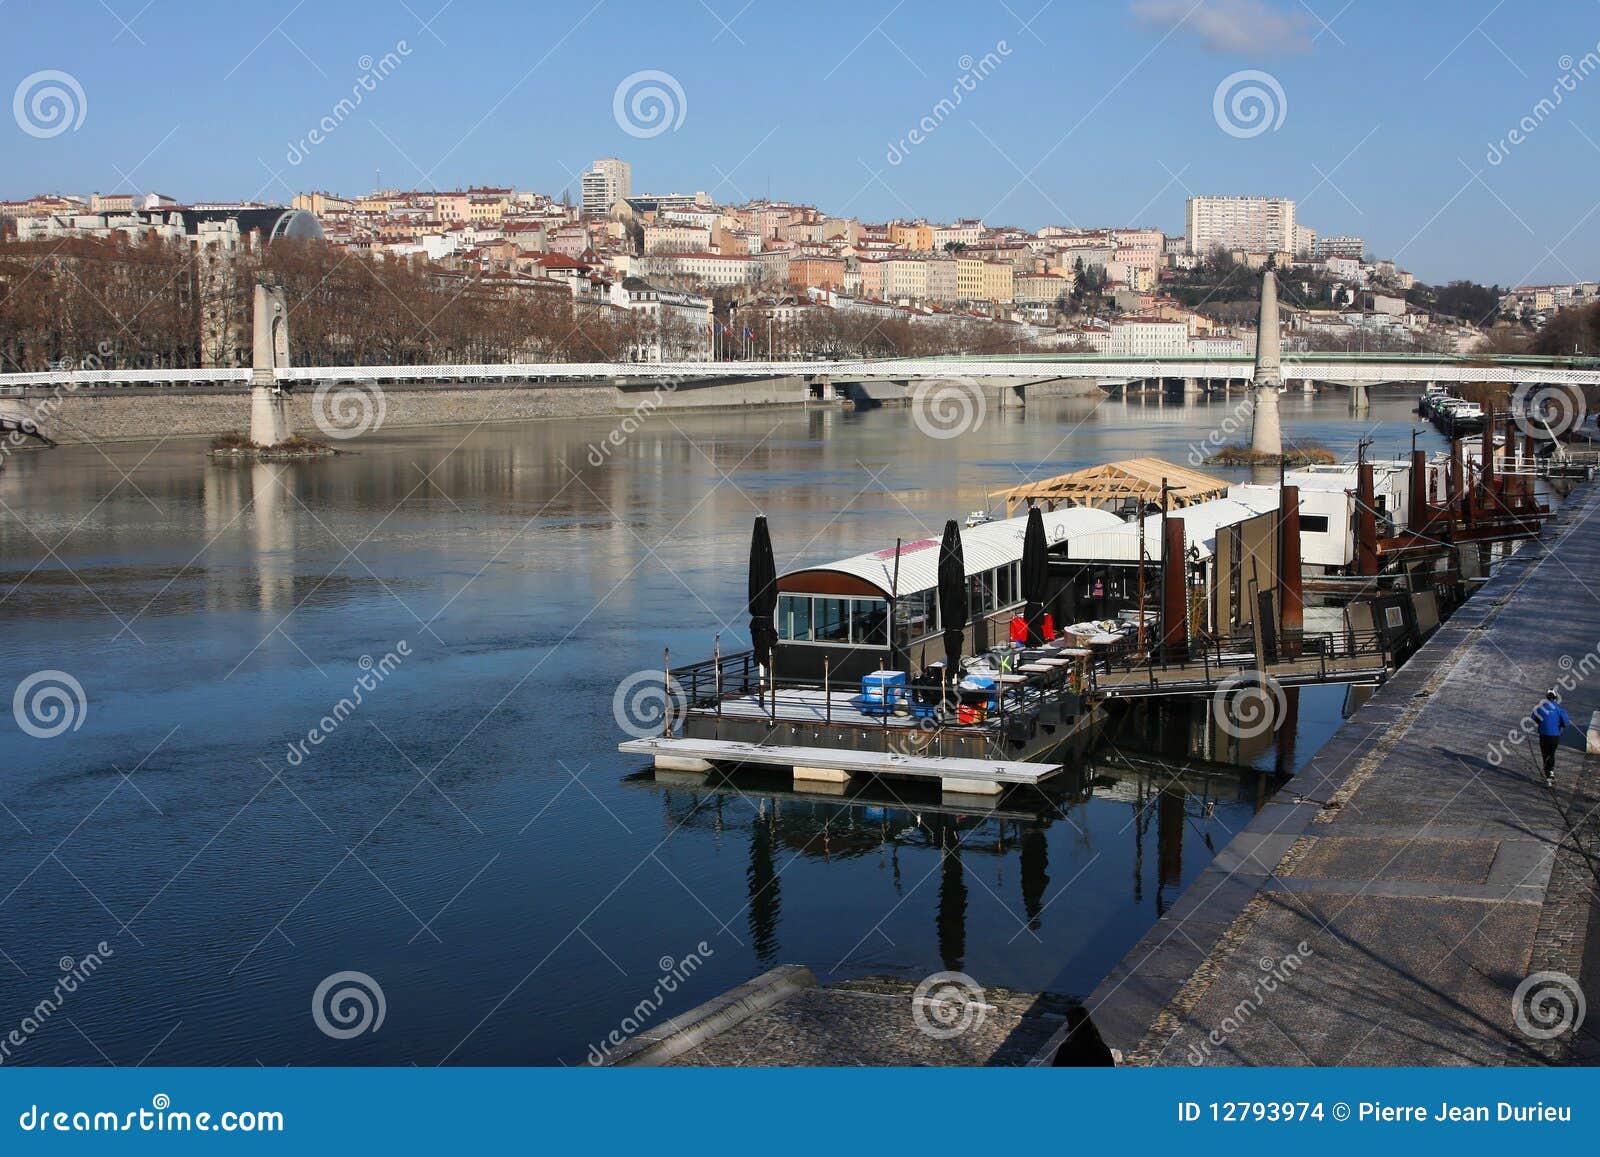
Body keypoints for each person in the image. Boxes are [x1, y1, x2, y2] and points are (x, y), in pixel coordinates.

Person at [1532, 691, 1573, 783]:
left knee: (1545, 753)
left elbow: (1534, 717)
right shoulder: (1559, 709)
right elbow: (1566, 722)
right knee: (1551, 753)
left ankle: (1548, 773)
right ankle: (1550, 771)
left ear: (1546, 697)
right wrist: (1559, 725)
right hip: (1555, 735)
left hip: (1544, 735)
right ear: (1555, 698)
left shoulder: (1540, 708)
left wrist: (1541, 723)